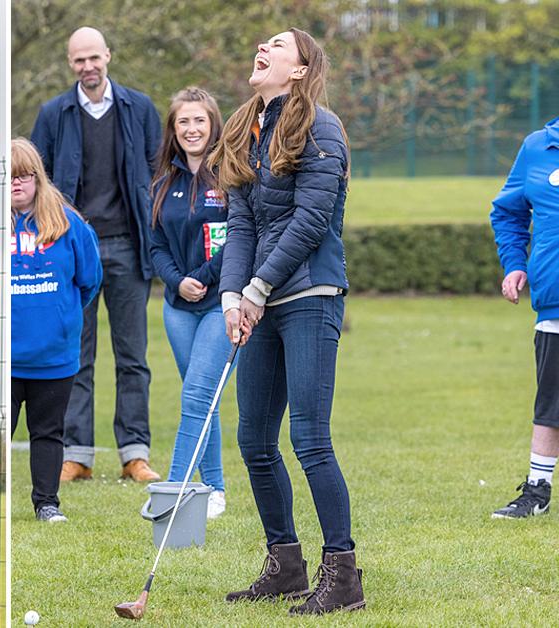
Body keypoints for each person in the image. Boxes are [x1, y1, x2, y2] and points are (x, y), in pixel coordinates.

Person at [211, 29, 364, 614]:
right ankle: (285, 565)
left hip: (310, 295)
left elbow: (309, 222)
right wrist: (232, 295)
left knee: (309, 439)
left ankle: (343, 575)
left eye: (277, 45)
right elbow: (243, 224)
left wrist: (258, 287)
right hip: (260, 301)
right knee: (253, 439)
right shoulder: (246, 129)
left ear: (300, 69)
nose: (263, 48)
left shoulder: (320, 127)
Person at [30, 26, 163, 483]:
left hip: (128, 247)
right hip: (73, 252)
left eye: (94, 58)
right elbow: (38, 183)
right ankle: (78, 454)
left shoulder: (141, 108)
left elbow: (154, 174)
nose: (88, 67)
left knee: (133, 358)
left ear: (108, 55)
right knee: (76, 358)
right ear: (70, 64)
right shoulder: (53, 114)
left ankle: (135, 454)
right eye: (79, 60)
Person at [147, 87, 231, 519]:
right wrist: (177, 283)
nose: (192, 128)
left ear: (213, 124)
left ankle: (178, 488)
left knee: (199, 394)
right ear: (173, 130)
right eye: (184, 122)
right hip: (178, 309)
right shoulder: (164, 184)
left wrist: (200, 279)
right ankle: (213, 485)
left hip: (221, 305)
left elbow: (238, 240)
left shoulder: (232, 177)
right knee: (202, 398)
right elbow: (156, 244)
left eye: (199, 120)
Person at [10, 138, 102, 523]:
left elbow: (89, 280)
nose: (15, 184)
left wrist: (61, 317)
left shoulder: (69, 223)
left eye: (23, 176)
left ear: (38, 177)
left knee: (47, 433)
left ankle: (46, 502)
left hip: (54, 356)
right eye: (7, 177)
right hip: (8, 360)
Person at [489, 115, 559, 519]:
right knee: (551, 399)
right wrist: (515, 263)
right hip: (555, 301)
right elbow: (508, 212)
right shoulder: (538, 146)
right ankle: (538, 490)